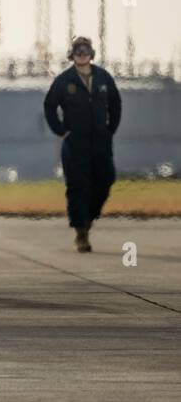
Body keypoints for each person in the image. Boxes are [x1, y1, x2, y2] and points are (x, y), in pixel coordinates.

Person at [43, 36, 121, 253]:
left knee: (106, 180)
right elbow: (50, 105)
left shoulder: (103, 78)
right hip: (75, 144)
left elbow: (116, 104)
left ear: (91, 53)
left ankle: (89, 217)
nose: (82, 54)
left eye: (86, 50)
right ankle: (81, 232)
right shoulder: (64, 80)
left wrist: (109, 129)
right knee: (78, 187)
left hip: (100, 142)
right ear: (72, 54)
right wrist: (61, 131)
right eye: (78, 50)